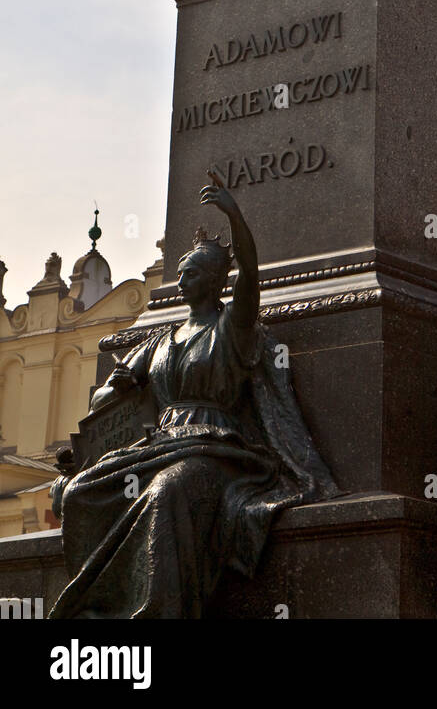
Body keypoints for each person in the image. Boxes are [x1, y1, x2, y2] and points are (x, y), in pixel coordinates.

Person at [49, 171, 337, 619]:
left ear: (215, 280)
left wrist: (235, 216)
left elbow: (252, 281)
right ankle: (95, 609)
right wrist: (116, 387)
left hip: (218, 447)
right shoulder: (161, 339)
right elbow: (103, 401)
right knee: (80, 493)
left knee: (168, 492)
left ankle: (158, 612)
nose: (181, 281)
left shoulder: (232, 329)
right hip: (159, 443)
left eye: (191, 273)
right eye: (180, 273)